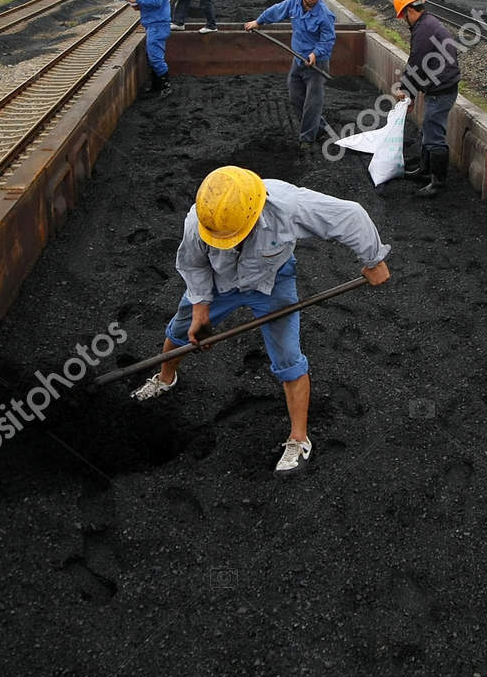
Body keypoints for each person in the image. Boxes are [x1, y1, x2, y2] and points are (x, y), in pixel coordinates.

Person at [130, 165, 391, 474]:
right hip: (218, 282)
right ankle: (165, 377)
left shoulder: (289, 207)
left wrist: (373, 260)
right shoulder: (199, 220)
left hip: (272, 282)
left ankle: (298, 438)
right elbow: (194, 264)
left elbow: (350, 216)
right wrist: (200, 308)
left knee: (288, 357)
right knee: (179, 330)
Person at [244, 0, 336, 145]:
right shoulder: (294, 3)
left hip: (317, 65)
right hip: (298, 59)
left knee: (312, 103)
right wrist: (259, 22)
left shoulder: (325, 15)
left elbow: (328, 40)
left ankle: (307, 139)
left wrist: (315, 53)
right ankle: (321, 127)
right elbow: (277, 11)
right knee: (295, 96)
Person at [390, 0, 460, 197]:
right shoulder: (428, 24)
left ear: (410, 10)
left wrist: (405, 89)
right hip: (439, 86)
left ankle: (438, 182)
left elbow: (416, 63)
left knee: (433, 134)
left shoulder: (423, 30)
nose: (404, 20)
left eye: (403, 16)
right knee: (428, 129)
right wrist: (410, 94)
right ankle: (425, 170)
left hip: (442, 89)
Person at [125, 0, 171, 96]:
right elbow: (151, 2)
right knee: (153, 56)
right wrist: (140, 6)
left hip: (158, 25)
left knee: (156, 57)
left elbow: (156, 1)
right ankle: (157, 86)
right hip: (153, 24)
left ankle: (165, 86)